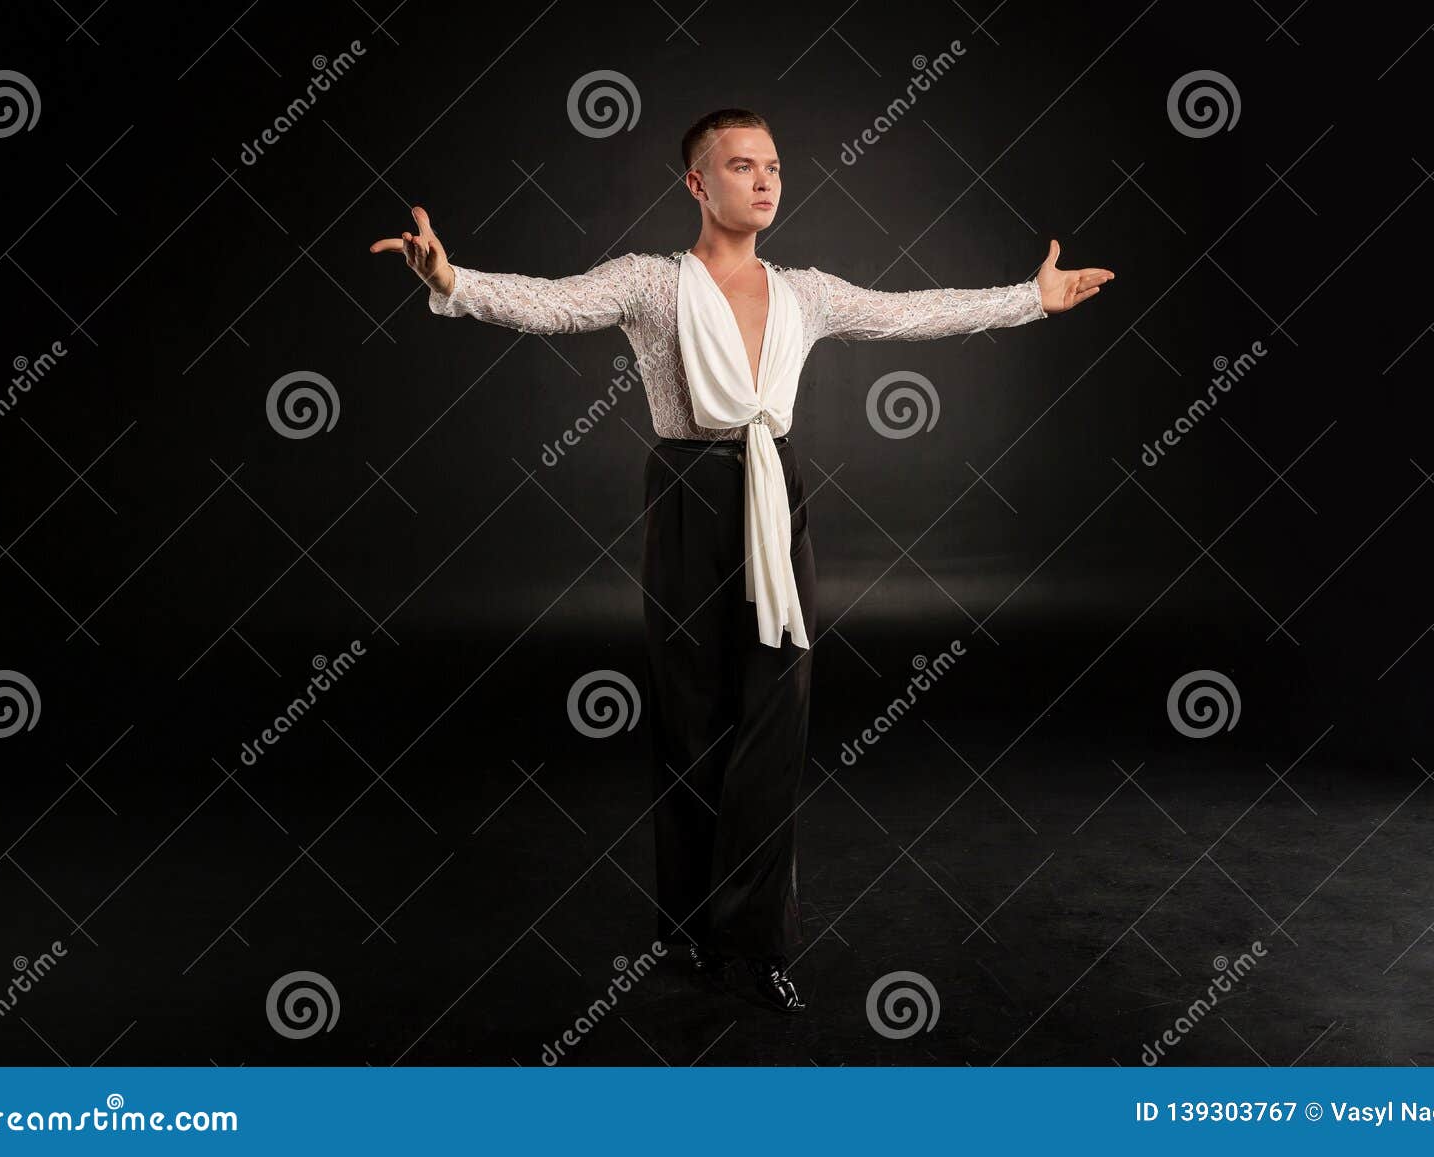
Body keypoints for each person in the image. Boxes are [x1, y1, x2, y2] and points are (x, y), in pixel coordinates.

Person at [370, 108, 1114, 1014]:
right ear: (697, 184)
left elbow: (909, 313)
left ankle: (754, 942)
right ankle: (684, 925)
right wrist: (451, 277)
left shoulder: (806, 291)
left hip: (775, 498)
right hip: (686, 495)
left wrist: (1028, 299)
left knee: (776, 713)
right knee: (691, 713)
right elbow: (554, 302)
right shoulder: (650, 282)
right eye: (740, 165)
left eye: (772, 166)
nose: (764, 180)